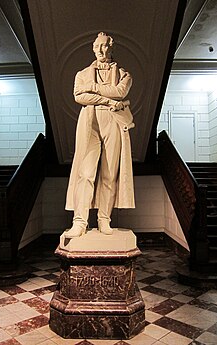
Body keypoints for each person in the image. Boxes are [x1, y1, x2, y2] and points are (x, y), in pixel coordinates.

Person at [65, 32, 135, 238]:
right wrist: (106, 98)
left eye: (105, 46)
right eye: (98, 47)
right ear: (93, 49)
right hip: (90, 121)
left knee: (109, 173)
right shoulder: (82, 74)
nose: (101, 51)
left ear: (111, 48)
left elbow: (120, 92)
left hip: (114, 121)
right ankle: (79, 221)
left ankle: (104, 219)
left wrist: (95, 89)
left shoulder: (124, 74)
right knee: (85, 173)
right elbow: (79, 96)